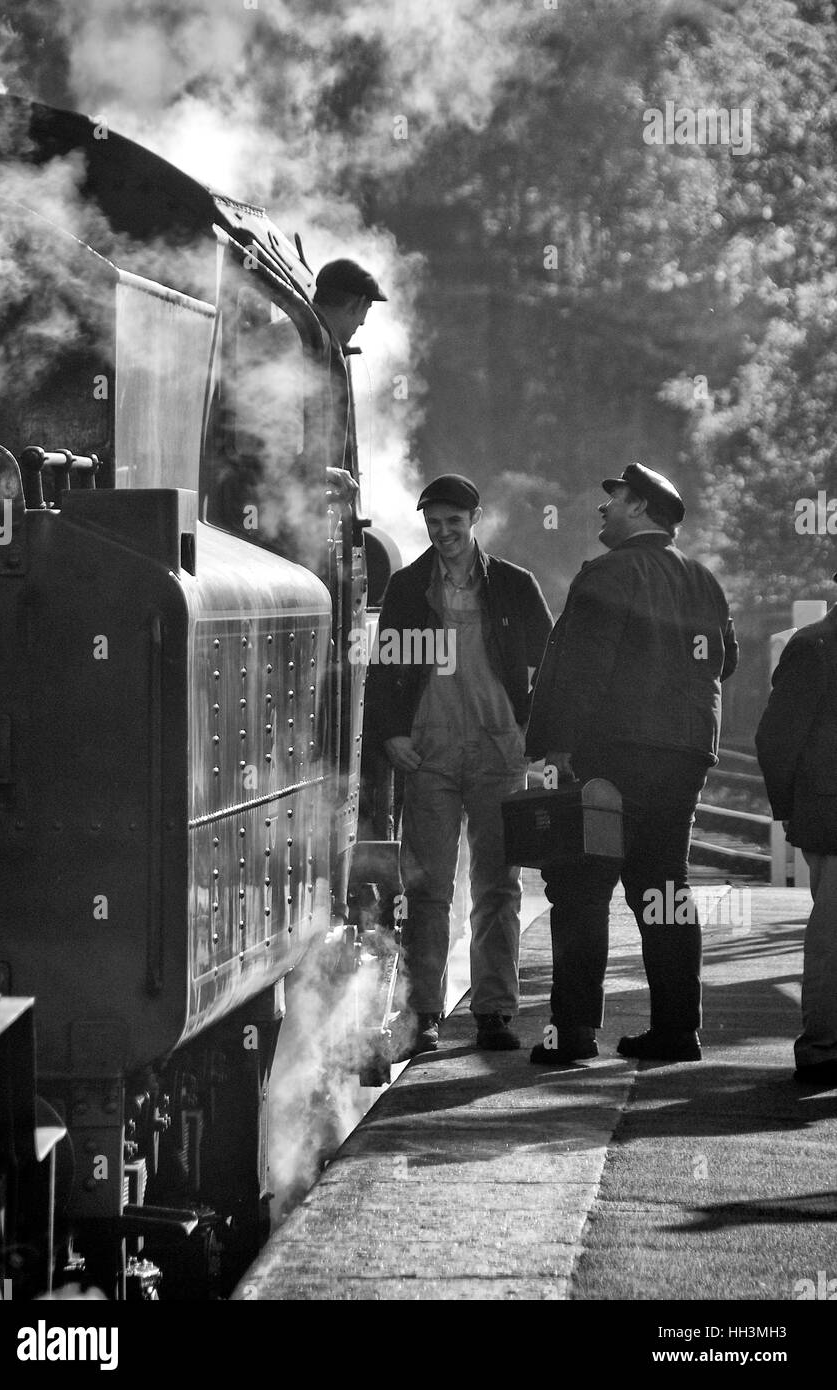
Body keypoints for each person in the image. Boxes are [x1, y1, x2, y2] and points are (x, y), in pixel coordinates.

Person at [525, 462, 738, 1065]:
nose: (603, 508)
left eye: (613, 498)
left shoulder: (608, 573)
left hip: (610, 757)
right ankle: (676, 1030)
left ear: (640, 507)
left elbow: (578, 671)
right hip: (684, 757)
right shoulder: (704, 580)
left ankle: (571, 1033)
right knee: (665, 886)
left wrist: (556, 752)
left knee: (581, 887)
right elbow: (725, 663)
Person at [367, 474, 553, 1053]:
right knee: (427, 888)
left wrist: (536, 736)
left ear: (475, 518)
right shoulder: (405, 589)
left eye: (453, 521)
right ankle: (424, 1014)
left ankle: (494, 1011)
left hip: (500, 752)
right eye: (434, 523)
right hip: (430, 753)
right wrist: (391, 735)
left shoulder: (516, 587)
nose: (443, 533)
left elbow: (548, 668)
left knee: (498, 884)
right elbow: (382, 672)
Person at [755, 590, 837, 1088]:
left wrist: (790, 808)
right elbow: (776, 738)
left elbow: (777, 737)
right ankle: (823, 1048)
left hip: (828, 809)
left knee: (832, 934)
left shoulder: (814, 644)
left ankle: (824, 1049)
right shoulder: (816, 644)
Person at [313, 258, 387, 505]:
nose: (363, 321)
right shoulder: (310, 342)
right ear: (357, 304)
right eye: (366, 310)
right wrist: (316, 474)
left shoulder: (314, 336)